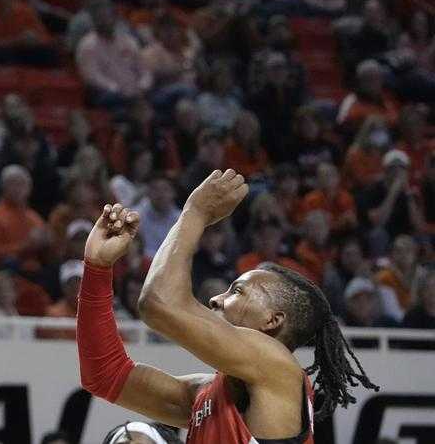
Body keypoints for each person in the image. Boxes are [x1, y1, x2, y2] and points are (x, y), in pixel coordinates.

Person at [77, 171, 378, 443]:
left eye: (237, 291)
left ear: (272, 320)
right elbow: (104, 375)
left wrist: (195, 212)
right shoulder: (206, 394)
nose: (215, 299)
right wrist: (97, 267)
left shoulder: (278, 369)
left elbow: (159, 303)